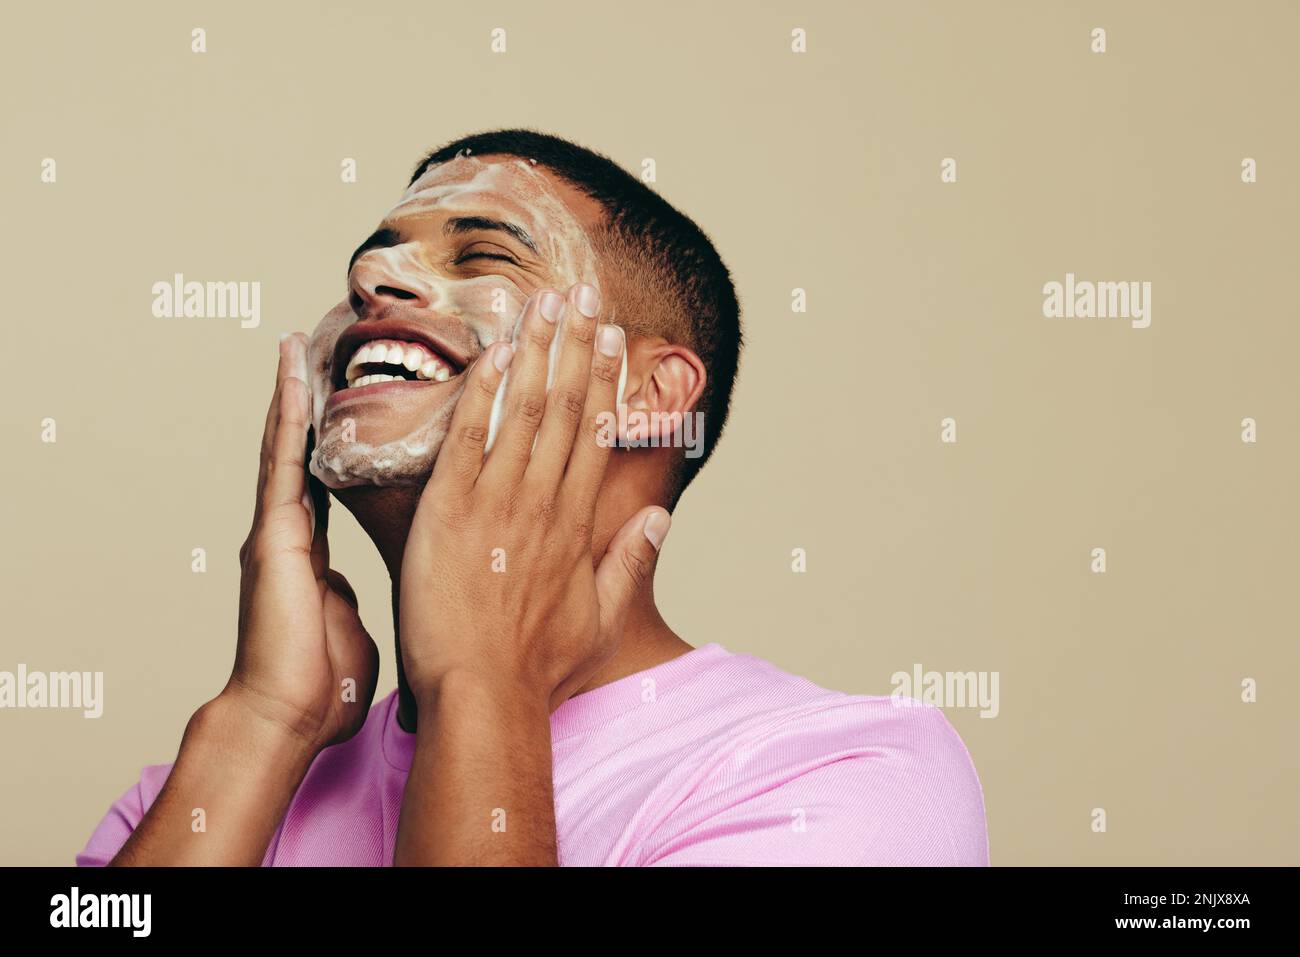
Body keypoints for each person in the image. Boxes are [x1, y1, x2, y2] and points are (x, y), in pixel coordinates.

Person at [77, 130, 988, 866]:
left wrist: (485, 681)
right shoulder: (191, 799)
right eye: (371, 264)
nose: (369, 283)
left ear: (650, 395)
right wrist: (261, 723)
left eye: (483, 255)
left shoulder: (847, 774)